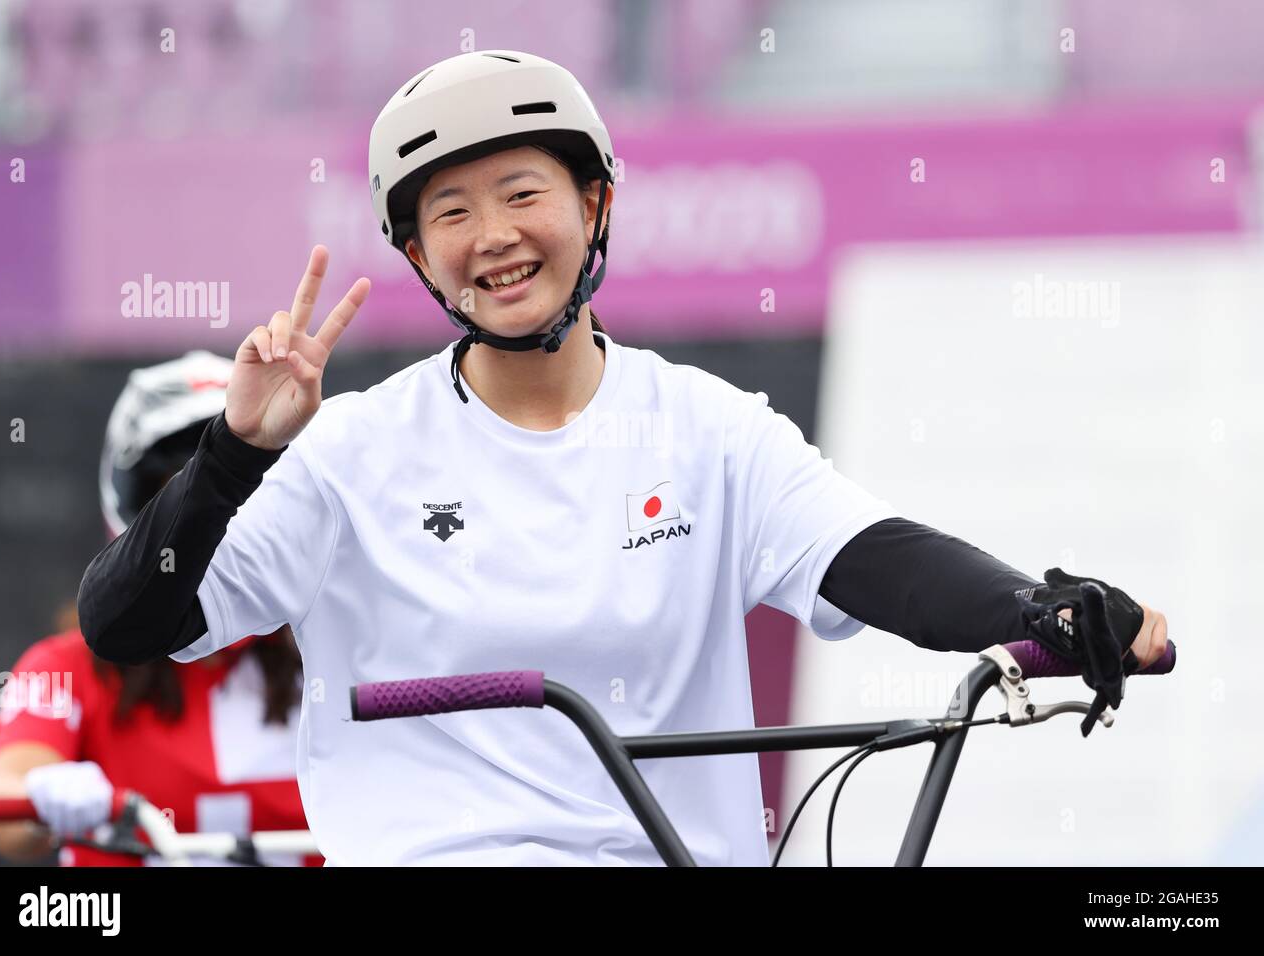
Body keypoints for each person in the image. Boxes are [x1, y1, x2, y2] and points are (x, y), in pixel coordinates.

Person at [75, 51, 1171, 866]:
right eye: (450, 211)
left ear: (595, 202)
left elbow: (874, 558)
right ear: (416, 254)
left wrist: (1046, 608)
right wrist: (232, 455)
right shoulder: (350, 451)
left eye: (521, 193)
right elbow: (126, 624)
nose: (492, 234)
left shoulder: (710, 428)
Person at [0, 351, 318, 866]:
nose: (207, 530)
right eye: (180, 502)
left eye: (239, 496)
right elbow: (5, 814)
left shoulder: (325, 654)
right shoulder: (65, 668)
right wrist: (42, 797)